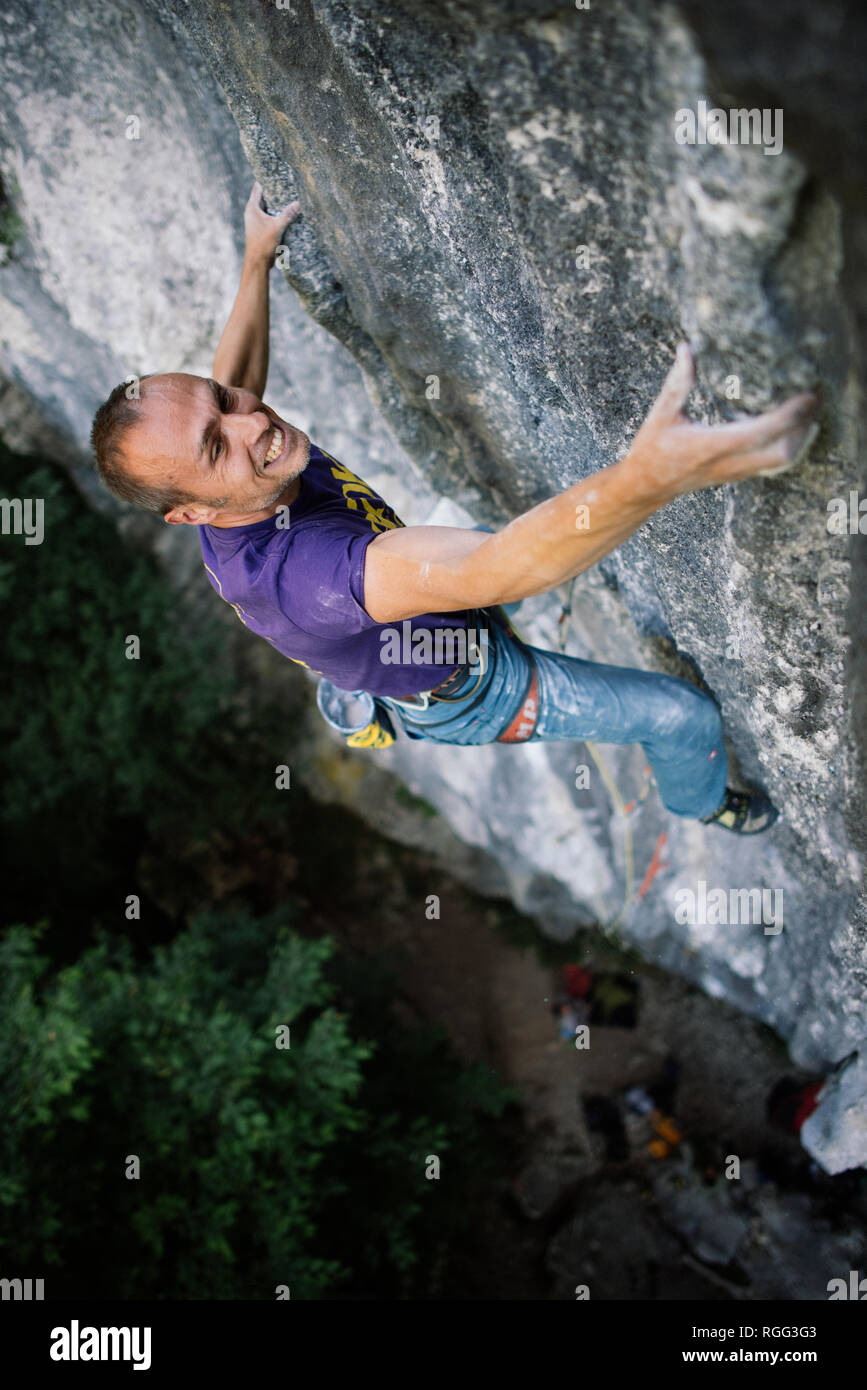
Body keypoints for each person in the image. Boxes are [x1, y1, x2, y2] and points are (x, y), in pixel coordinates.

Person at [90, 184, 820, 834]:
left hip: (379, 616)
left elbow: (233, 381)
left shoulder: (222, 474)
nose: (255, 422)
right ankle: (703, 805)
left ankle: (355, 683)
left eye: (224, 407)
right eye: (218, 444)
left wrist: (256, 260)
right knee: (680, 715)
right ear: (186, 514)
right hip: (473, 687)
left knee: (452, 559)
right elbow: (492, 571)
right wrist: (650, 477)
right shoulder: (308, 572)